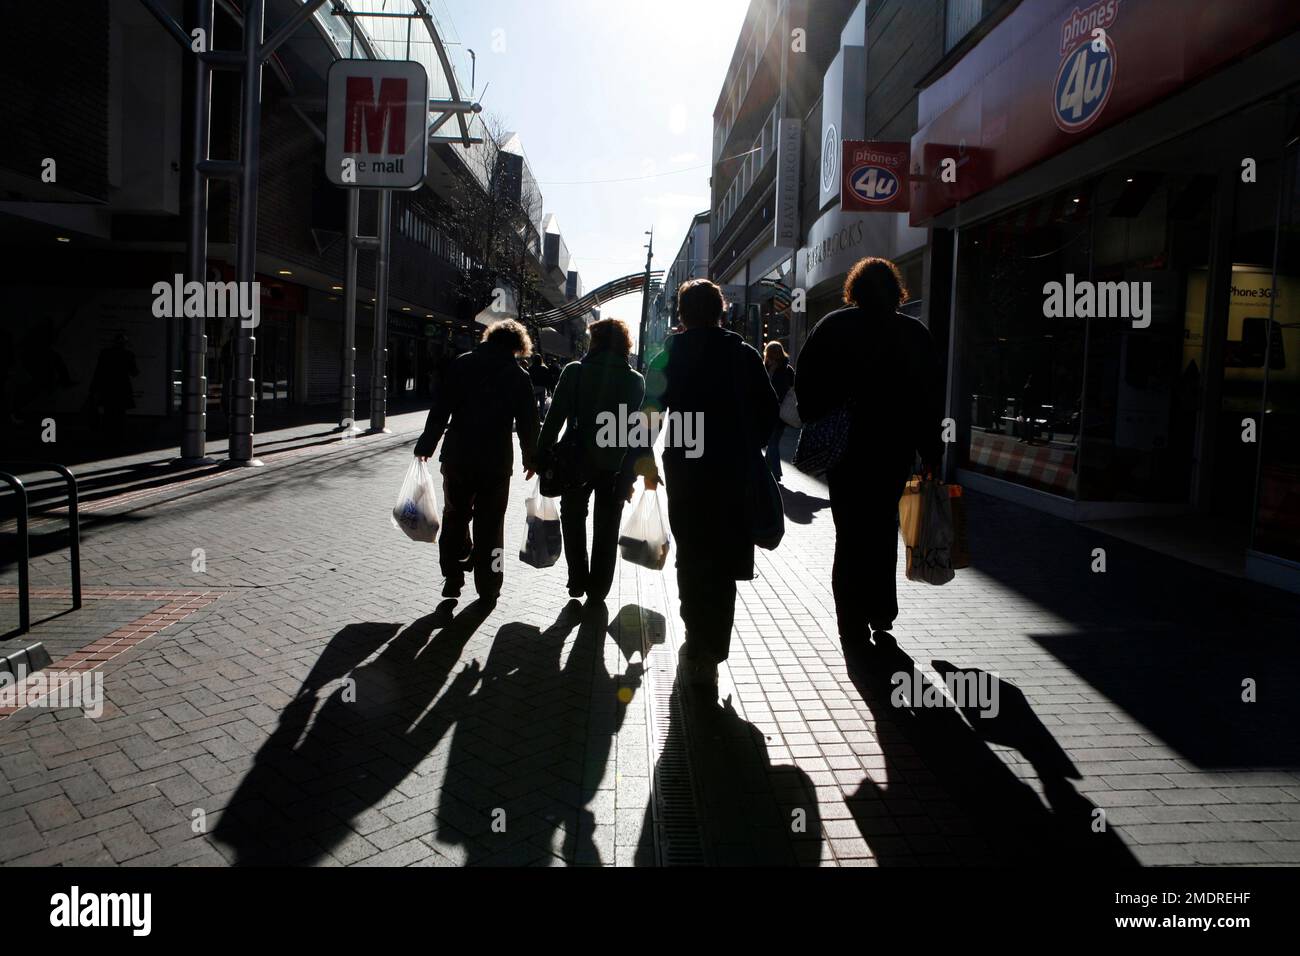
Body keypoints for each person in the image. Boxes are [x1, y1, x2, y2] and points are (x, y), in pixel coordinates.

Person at [636, 279, 778, 689]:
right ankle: (714, 644)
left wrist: (644, 461)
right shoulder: (742, 354)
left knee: (692, 552)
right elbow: (768, 410)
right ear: (721, 310)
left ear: (682, 313)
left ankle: (696, 633)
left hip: (685, 470)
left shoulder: (668, 355)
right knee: (724, 557)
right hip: (732, 472)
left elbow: (649, 415)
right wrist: (748, 443)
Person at [796, 257, 944, 646]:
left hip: (846, 451)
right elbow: (930, 399)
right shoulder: (914, 334)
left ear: (854, 290)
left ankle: (851, 619)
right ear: (897, 290)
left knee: (849, 533)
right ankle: (881, 611)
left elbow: (805, 384)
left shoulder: (833, 327)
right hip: (893, 448)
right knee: (882, 530)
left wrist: (821, 415)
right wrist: (931, 450)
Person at [414, 319, 539, 601]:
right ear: (519, 345)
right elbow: (529, 424)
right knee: (491, 524)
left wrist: (426, 444)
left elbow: (441, 409)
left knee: (455, 517)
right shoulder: (518, 376)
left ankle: (453, 577)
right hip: (495, 461)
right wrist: (532, 459)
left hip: (458, 455)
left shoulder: (462, 364)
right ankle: (489, 585)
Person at [537, 318, 645, 602]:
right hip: (616, 466)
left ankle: (577, 579)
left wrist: (539, 455)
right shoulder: (635, 381)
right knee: (607, 528)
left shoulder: (575, 372)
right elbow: (638, 433)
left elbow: (554, 419)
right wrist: (634, 473)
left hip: (575, 462)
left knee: (573, 518)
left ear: (595, 342)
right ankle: (599, 589)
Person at [763, 340, 795, 480]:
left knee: (772, 442)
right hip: (782, 412)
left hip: (774, 411)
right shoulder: (788, 369)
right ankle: (766, 469)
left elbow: (771, 391)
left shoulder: (770, 369)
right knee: (772, 441)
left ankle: (775, 473)